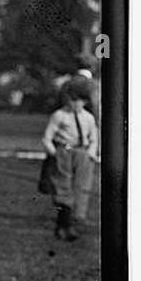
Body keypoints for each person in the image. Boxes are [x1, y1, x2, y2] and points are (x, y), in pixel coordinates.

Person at [43, 78, 98, 241]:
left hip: (82, 153)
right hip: (64, 152)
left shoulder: (88, 117)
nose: (75, 104)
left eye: (79, 100)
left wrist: (91, 152)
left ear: (85, 101)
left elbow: (94, 137)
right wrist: (55, 153)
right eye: (72, 100)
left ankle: (73, 223)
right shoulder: (59, 115)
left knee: (81, 188)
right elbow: (47, 137)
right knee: (63, 188)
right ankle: (63, 226)